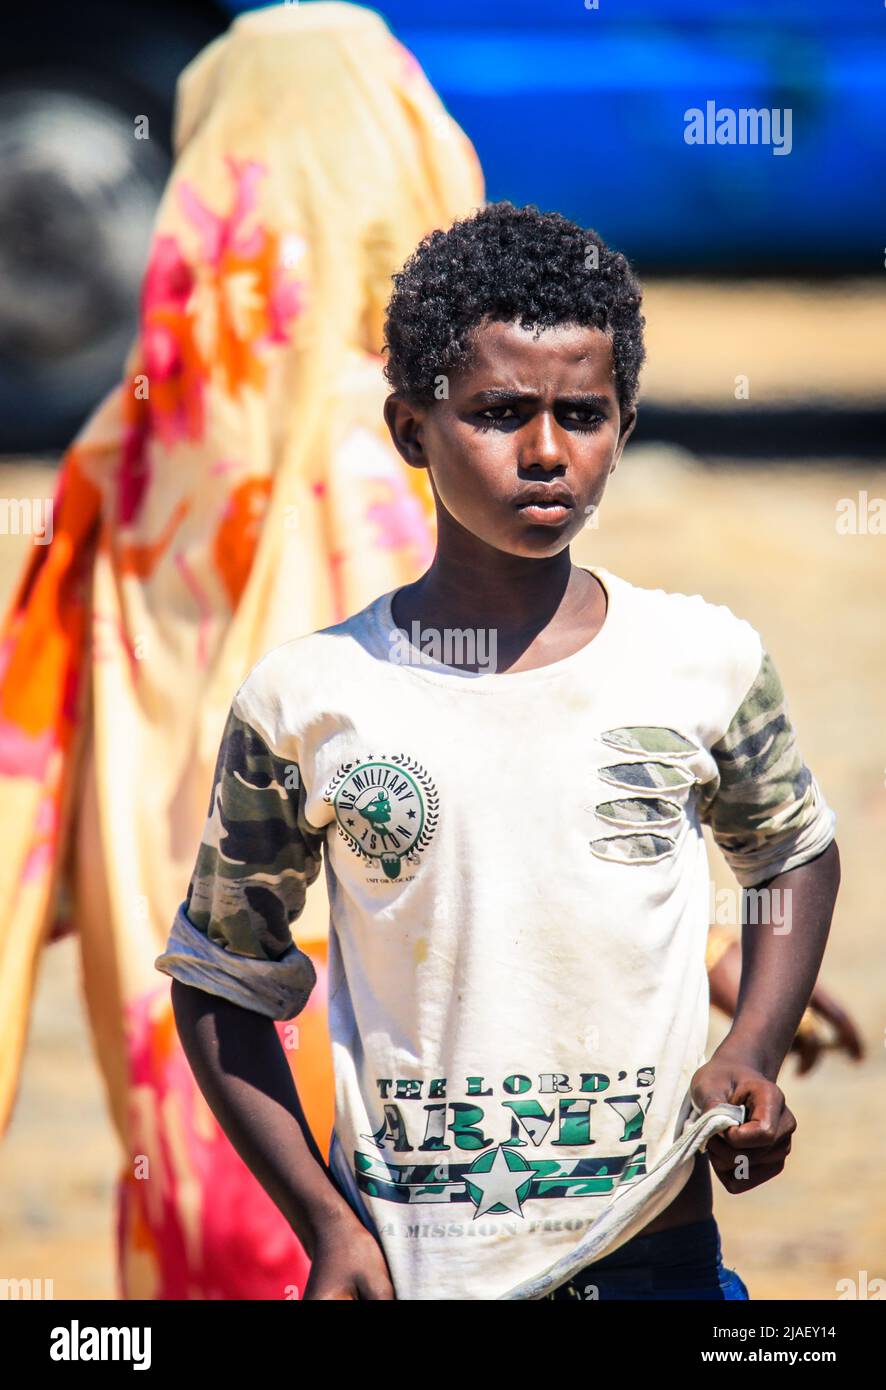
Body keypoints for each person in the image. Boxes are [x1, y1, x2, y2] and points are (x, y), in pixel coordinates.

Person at [155, 201, 842, 1300]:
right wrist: (327, 1225)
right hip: (424, 1266)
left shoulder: (701, 659)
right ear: (409, 429)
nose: (544, 453)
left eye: (583, 413)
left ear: (623, 421)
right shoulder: (312, 700)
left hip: (651, 1256)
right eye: (498, 412)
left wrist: (750, 1044)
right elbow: (220, 980)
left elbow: (791, 852)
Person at [0, 1, 485, 1299]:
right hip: (358, 1076)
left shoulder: (129, 439)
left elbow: (39, 761)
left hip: (178, 1035)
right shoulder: (384, 446)